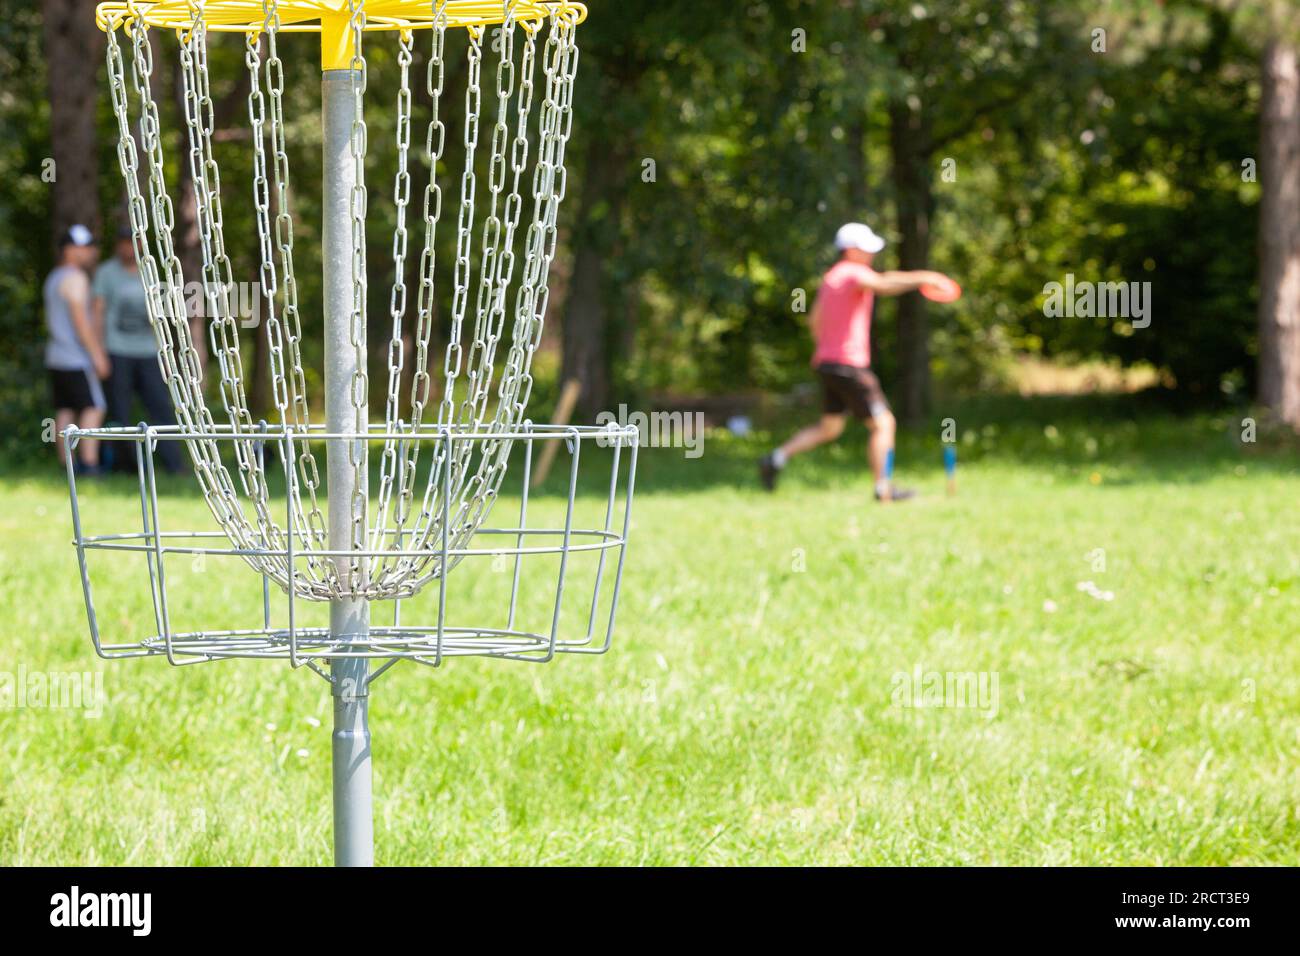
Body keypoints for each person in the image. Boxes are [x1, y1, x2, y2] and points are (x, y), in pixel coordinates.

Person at [759, 222, 955, 502]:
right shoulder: (853, 273)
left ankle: (775, 458)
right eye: (866, 250)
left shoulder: (830, 279)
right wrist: (926, 277)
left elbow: (814, 320)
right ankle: (882, 489)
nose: (871, 256)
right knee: (883, 424)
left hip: (827, 362)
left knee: (830, 428)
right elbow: (884, 283)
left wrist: (827, 344)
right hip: (848, 364)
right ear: (850, 250)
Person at [93, 226, 182, 473]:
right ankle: (125, 465)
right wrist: (99, 352)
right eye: (122, 242)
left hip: (148, 353)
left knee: (161, 407)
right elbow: (97, 313)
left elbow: (164, 318)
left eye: (132, 242)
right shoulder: (106, 272)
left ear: (142, 245)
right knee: (119, 411)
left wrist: (165, 354)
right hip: (116, 351)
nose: (127, 247)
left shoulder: (152, 273)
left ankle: (174, 464)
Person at [45, 224, 107, 474]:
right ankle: (89, 465)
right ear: (69, 250)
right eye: (85, 247)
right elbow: (81, 323)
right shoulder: (75, 278)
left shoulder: (54, 277)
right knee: (94, 407)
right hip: (75, 357)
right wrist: (98, 355)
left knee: (65, 409)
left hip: (56, 356)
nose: (91, 252)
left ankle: (66, 466)